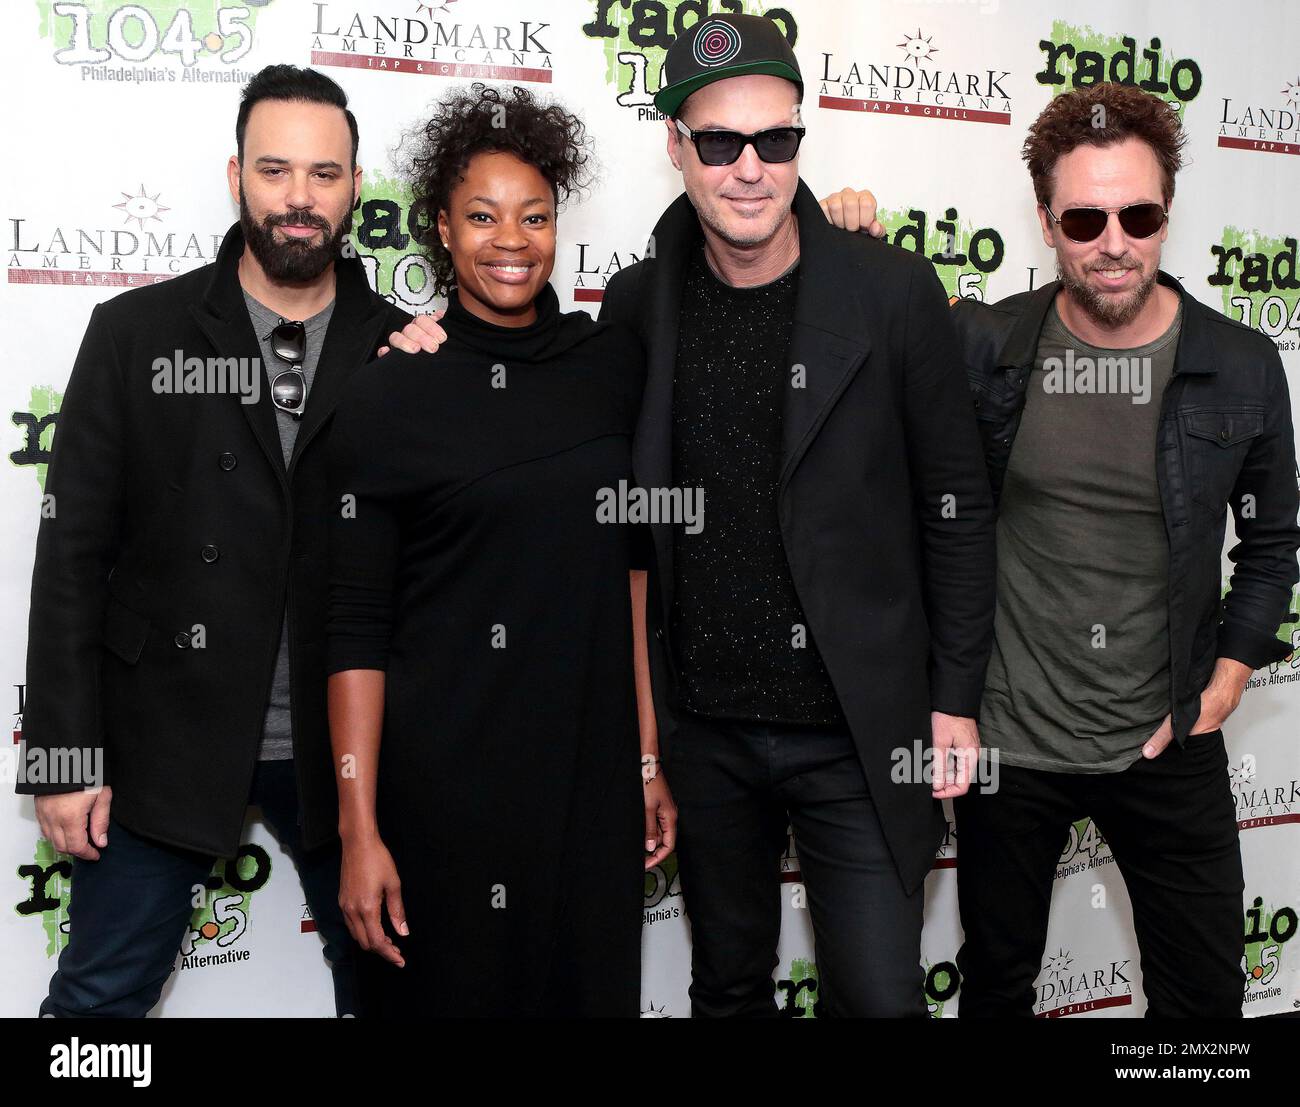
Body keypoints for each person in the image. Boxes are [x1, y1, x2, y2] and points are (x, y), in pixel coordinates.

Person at [826, 82, 1300, 1017]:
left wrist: (1226, 680)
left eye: (1139, 214)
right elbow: (869, 363)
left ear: (1168, 215)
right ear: (1046, 221)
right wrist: (850, 246)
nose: (1113, 242)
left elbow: (1275, 540)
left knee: (1203, 1001)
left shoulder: (1240, 362)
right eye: (1085, 217)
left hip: (1166, 741)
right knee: (997, 984)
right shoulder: (984, 344)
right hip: (1011, 742)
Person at [17, 64, 412, 1017]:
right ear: (236, 176)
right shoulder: (134, 333)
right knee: (98, 1000)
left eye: (324, 174)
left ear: (356, 186)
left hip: (343, 747)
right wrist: (66, 759)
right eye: (275, 170)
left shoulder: (403, 348)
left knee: (398, 990)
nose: (299, 199)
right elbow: (71, 558)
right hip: (165, 736)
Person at [326, 84, 675, 1018]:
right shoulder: (393, 390)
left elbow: (632, 577)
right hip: (442, 799)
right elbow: (354, 629)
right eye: (481, 216)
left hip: (588, 788)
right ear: (441, 228)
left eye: (534, 215)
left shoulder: (607, 365)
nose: (510, 239)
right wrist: (359, 829)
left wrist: (644, 762)